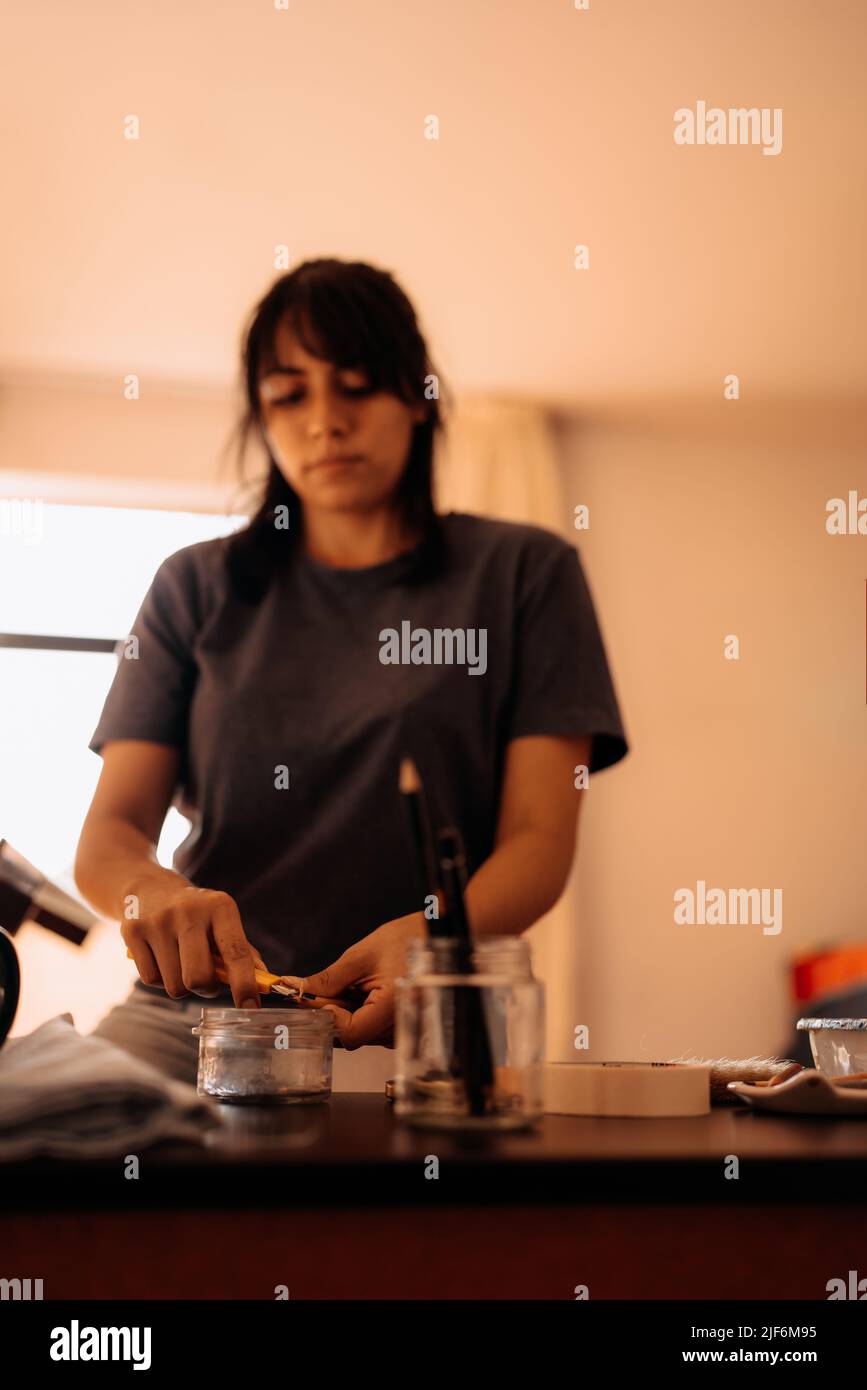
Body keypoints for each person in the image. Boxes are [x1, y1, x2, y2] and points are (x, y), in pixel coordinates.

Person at [74, 257, 629, 1087]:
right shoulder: (194, 586)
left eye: (358, 384)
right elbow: (110, 835)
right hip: (198, 1025)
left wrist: (440, 936)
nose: (325, 422)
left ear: (416, 396)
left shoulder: (524, 574)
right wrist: (148, 892)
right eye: (289, 394)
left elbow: (541, 838)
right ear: (261, 417)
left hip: (427, 1021)